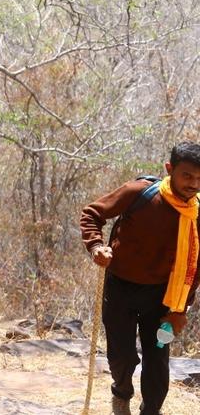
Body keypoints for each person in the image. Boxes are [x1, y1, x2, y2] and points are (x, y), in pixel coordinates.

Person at [80, 142, 200, 415]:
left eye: (199, 178)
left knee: (157, 364)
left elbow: (196, 268)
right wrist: (97, 246)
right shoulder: (140, 193)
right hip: (120, 289)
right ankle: (121, 396)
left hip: (163, 299)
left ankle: (151, 410)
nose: (194, 184)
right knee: (121, 358)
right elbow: (92, 214)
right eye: (187, 176)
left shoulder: (196, 215)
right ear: (169, 170)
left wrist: (181, 310)